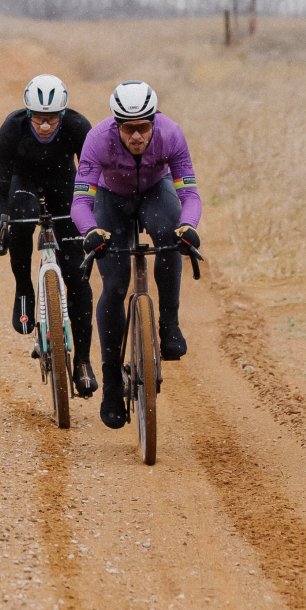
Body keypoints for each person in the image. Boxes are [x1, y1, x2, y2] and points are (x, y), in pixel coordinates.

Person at [72, 81, 202, 429]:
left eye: (143, 127)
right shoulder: (98, 138)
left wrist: (188, 226)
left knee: (170, 234)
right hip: (112, 200)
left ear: (153, 121)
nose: (136, 136)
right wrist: (90, 232)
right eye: (128, 128)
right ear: (116, 124)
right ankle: (112, 381)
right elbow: (81, 202)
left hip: (154, 193)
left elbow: (189, 195)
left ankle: (169, 323)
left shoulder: (171, 134)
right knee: (114, 285)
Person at [0, 75, 97, 396]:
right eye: (38, 118)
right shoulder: (12, 129)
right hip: (23, 182)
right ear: (28, 114)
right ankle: (24, 285)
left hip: (65, 182)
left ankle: (83, 362)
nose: (45, 126)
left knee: (77, 275)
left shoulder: (79, 127)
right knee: (20, 221)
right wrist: (0, 223)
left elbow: (94, 181)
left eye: (52, 119)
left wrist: (93, 221)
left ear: (63, 115)